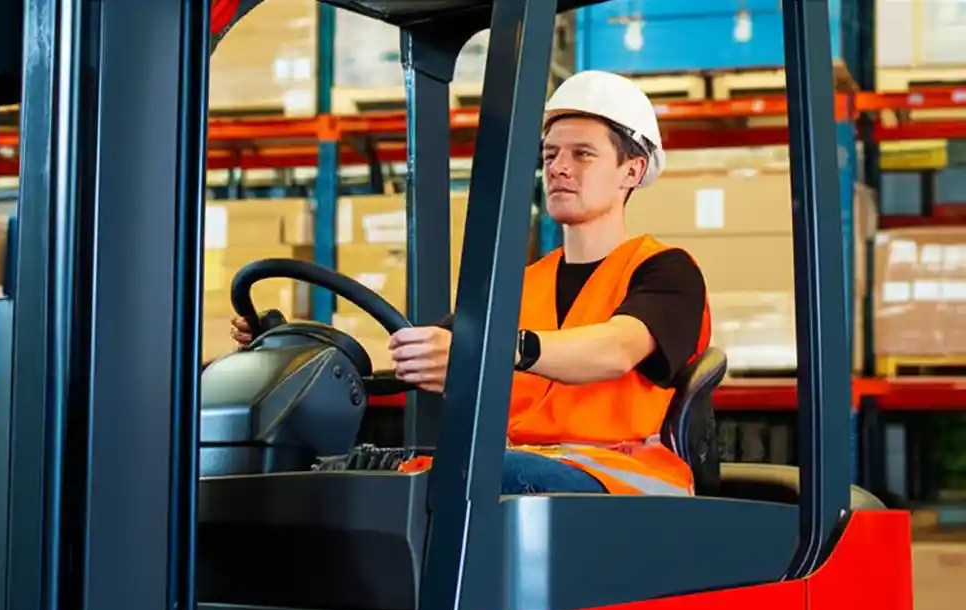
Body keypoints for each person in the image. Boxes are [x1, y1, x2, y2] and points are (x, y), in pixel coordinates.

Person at [232, 69, 711, 497]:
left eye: (582, 154)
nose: (559, 167)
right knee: (360, 476)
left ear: (633, 170)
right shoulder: (519, 287)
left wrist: (501, 349)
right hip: (522, 472)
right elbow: (417, 359)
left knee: (465, 477)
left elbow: (615, 350)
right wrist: (288, 346)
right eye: (551, 154)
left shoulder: (665, 271)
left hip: (624, 478)